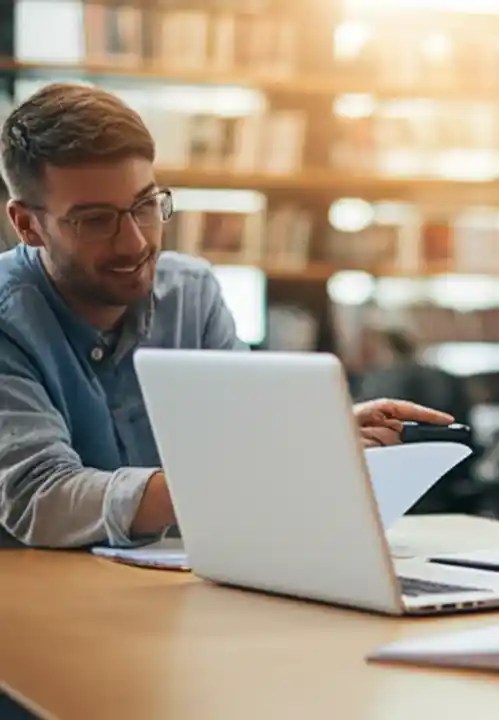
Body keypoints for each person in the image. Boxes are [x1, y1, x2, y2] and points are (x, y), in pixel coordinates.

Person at [0, 83, 451, 549]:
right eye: (94, 219)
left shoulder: (191, 294)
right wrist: (259, 469)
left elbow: (241, 439)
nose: (135, 242)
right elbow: (43, 497)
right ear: (28, 224)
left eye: (145, 205)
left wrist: (321, 437)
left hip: (175, 589)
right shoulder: (8, 320)